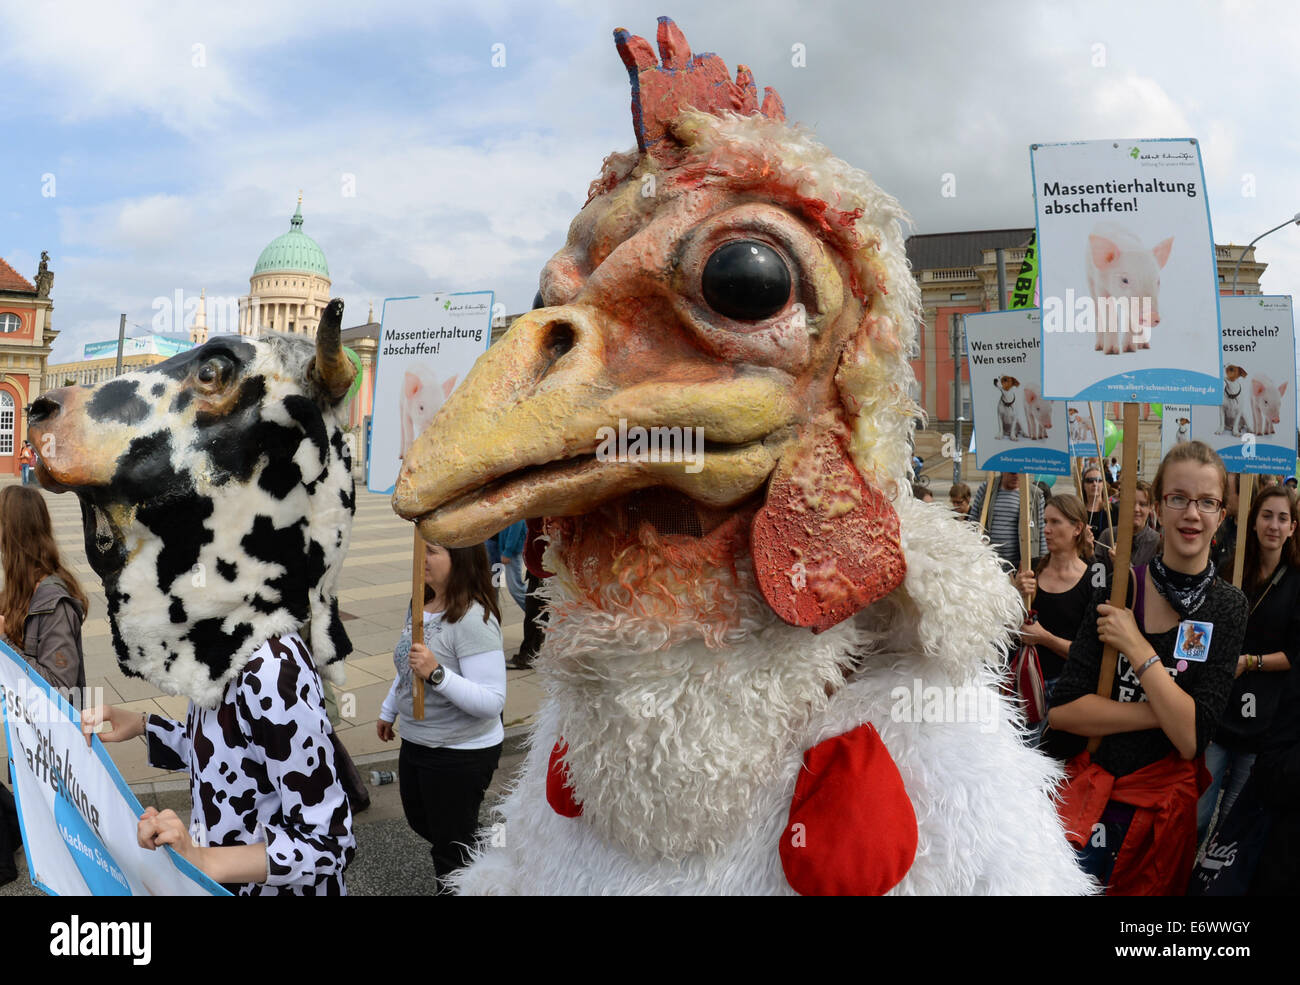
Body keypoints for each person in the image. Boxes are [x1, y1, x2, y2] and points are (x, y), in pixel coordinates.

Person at [1048, 440, 1247, 895]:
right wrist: (1169, 710)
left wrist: (1138, 649)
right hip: (1093, 808)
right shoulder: (1118, 592)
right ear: (1158, 505)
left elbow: (1192, 741)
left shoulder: (1228, 608)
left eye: (1207, 502)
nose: (1191, 514)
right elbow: (1065, 711)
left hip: (1162, 821)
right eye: (1178, 498)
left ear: (1221, 513)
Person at [85, 629, 356, 894]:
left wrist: (203, 860)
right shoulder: (216, 646)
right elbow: (228, 757)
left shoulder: (271, 668)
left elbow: (328, 843)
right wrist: (143, 725)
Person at [378, 539, 505, 891]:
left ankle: (466, 881)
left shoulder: (475, 619)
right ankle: (480, 853)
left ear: (460, 557)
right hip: (417, 741)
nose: (423, 558)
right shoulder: (420, 603)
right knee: (423, 822)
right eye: (422, 550)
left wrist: (438, 674)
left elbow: (492, 701)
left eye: (432, 551)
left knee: (449, 848)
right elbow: (409, 664)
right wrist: (389, 709)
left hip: (460, 752)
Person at [1197, 484, 1300, 846]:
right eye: (1266, 515)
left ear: (1292, 527)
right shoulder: (1231, 570)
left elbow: (1295, 653)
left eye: (1282, 518)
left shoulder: (1297, 582)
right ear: (1253, 522)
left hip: (1266, 723)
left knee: (1231, 824)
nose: (1273, 525)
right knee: (1197, 815)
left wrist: (1251, 662)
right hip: (1220, 713)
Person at [1013, 494, 1094, 749]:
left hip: (1066, 692)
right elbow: (1004, 626)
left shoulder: (1093, 580)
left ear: (1077, 528)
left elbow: (1089, 654)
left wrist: (1044, 638)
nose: (1046, 530)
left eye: (1055, 522)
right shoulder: (1030, 569)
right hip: (1024, 686)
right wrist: (1013, 592)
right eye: (1045, 521)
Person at [0, 485, 88, 704]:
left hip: (49, 734)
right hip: (27, 728)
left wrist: (5, 643)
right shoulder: (19, 586)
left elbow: (61, 691)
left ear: (11, 533)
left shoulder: (55, 606)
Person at [967, 472, 1045, 570]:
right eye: (1012, 472)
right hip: (988, 566)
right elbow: (972, 524)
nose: (1016, 475)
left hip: (1020, 569)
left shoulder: (1035, 495)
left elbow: (1042, 533)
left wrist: (1042, 566)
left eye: (1021, 472)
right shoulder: (987, 489)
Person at [1097, 480, 1160, 568]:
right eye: (1131, 503)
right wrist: (1089, 553)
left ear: (1151, 507)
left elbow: (1151, 580)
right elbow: (1096, 576)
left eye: (1142, 504)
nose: (1136, 509)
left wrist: (1123, 565)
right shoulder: (1107, 536)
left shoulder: (1157, 543)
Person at [1080, 465, 1117, 541]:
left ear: (1103, 484)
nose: (1094, 483)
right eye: (1090, 480)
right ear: (1083, 485)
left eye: (1099, 480)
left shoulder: (1114, 510)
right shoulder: (1077, 511)